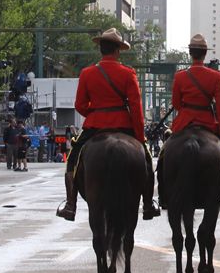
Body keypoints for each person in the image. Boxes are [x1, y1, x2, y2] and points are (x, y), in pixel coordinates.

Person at [57, 28, 159, 222]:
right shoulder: (128, 74)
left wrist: (96, 113)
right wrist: (140, 137)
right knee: (146, 159)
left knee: (73, 158)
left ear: (100, 49)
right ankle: (148, 204)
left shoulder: (87, 73)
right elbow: (136, 109)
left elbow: (80, 105)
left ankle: (70, 205)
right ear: (118, 50)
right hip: (123, 124)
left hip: (95, 126)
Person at [169, 33, 220, 205]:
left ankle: (163, 194)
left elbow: (176, 104)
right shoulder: (215, 76)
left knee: (165, 153)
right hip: (208, 123)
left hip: (184, 122)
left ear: (190, 53)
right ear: (205, 53)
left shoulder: (180, 76)